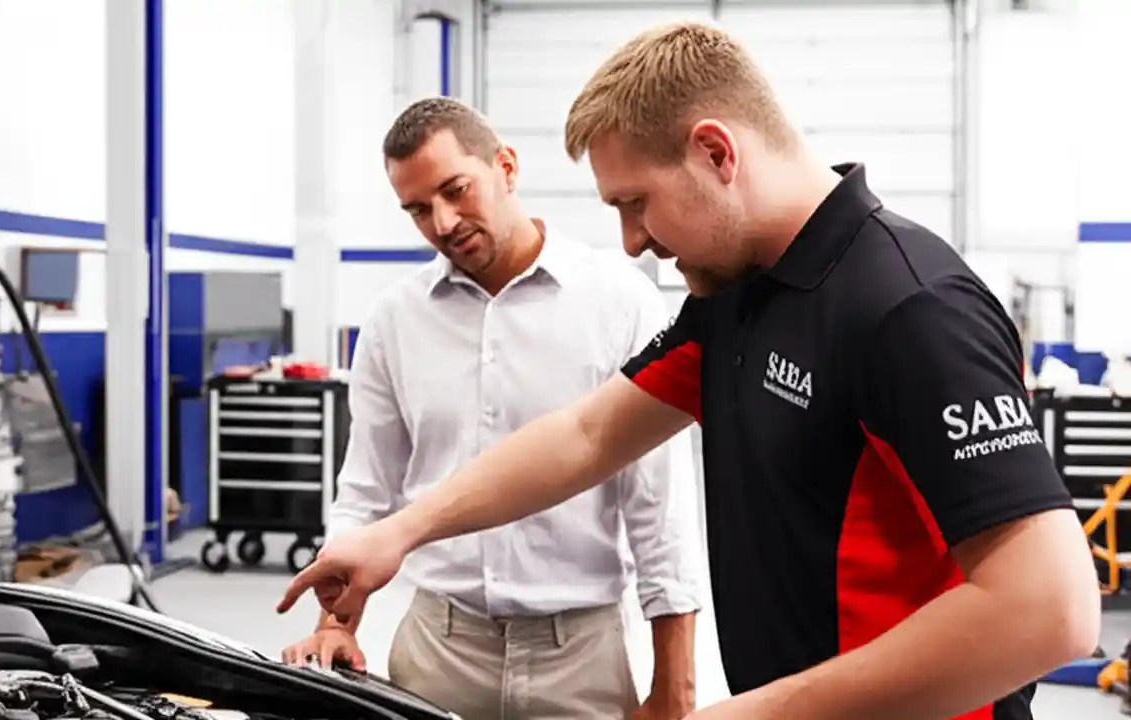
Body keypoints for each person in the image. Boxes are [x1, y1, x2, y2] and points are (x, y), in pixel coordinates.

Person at [279, 22, 1101, 720]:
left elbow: (1051, 611)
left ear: (716, 152)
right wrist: (397, 533)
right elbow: (586, 434)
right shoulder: (738, 292)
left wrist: (749, 712)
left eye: (635, 203)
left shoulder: (909, 307)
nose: (633, 240)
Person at [278, 97, 705, 720]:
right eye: (418, 209)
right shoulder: (394, 321)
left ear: (505, 166)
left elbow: (659, 509)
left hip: (578, 654)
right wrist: (335, 624)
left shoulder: (619, 301)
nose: (444, 222)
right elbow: (365, 492)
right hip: (437, 650)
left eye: (457, 190)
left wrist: (676, 682)